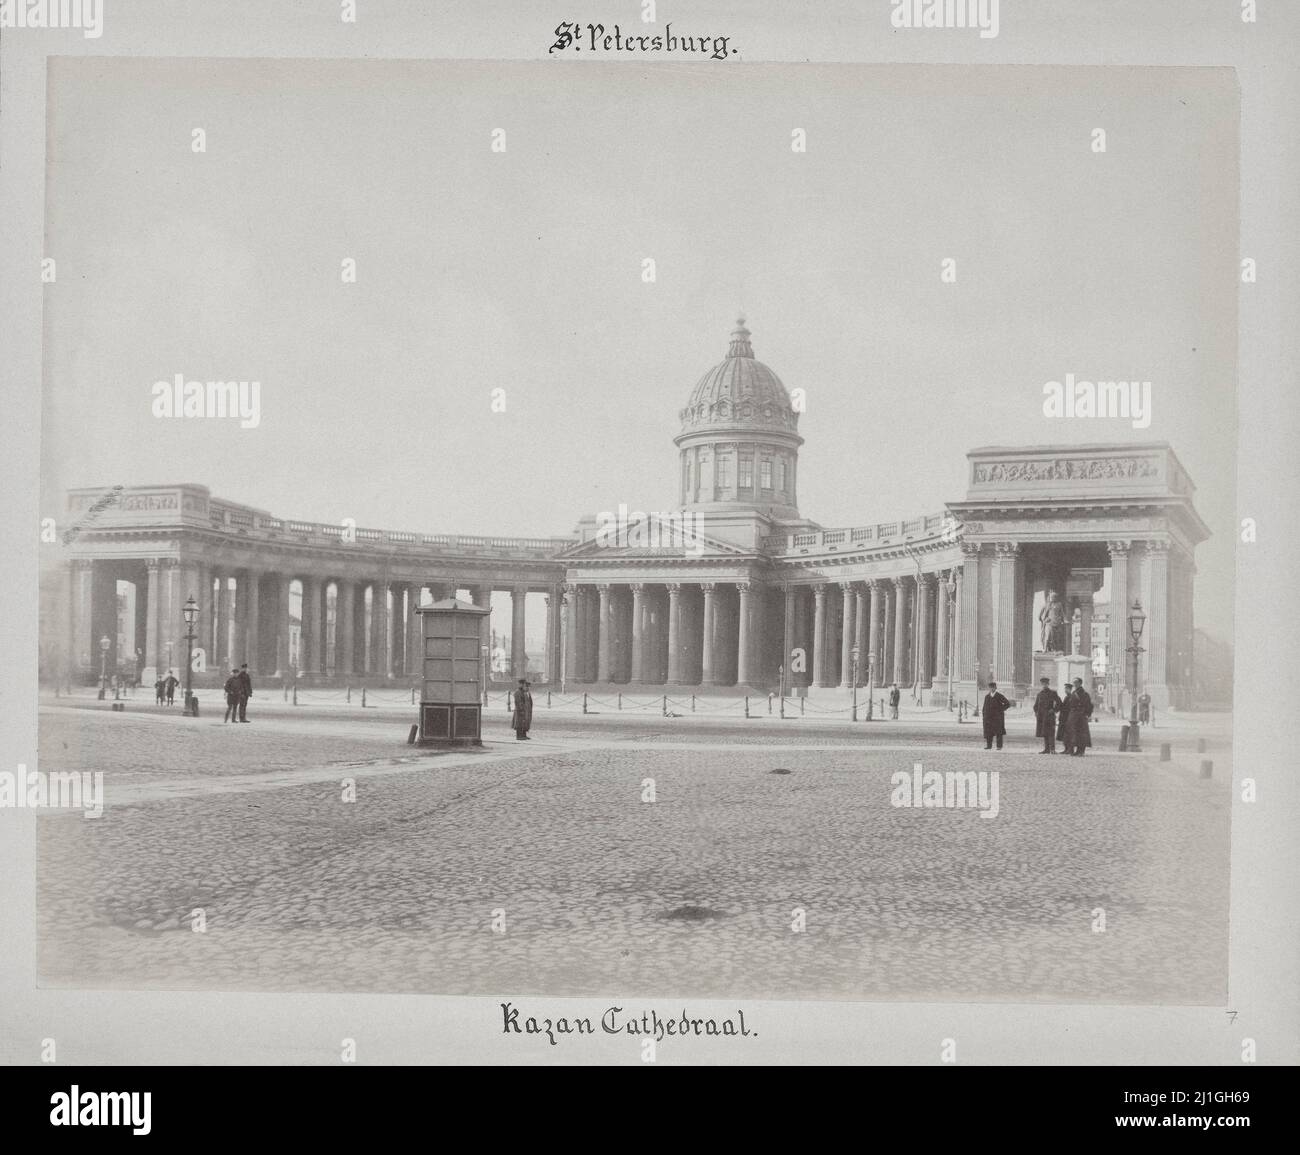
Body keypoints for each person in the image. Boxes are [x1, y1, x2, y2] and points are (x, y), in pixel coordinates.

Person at [1033, 676, 1063, 754]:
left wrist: (1054, 710)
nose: (1044, 685)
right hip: (1042, 717)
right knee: (1044, 733)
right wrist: (1036, 713)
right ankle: (1046, 749)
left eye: (1045, 684)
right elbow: (1035, 705)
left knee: (1051, 733)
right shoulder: (1039, 694)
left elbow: (1059, 703)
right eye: (1043, 684)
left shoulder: (1053, 693)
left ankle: (1052, 749)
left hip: (1050, 716)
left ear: (1048, 684)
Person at [1065, 677, 1093, 756]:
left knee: (1081, 734)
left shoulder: (1084, 694)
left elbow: (1089, 706)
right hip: (1073, 716)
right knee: (1074, 733)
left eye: (1076, 682)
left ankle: (1081, 751)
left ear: (1080, 683)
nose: (1075, 684)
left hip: (1080, 716)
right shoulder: (1074, 693)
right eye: (1074, 683)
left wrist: (1087, 714)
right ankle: (1076, 750)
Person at [981, 681, 1011, 750]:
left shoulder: (999, 696)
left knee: (998, 732)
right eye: (990, 688)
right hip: (988, 718)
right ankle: (989, 746)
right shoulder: (987, 697)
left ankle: (999, 746)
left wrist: (1001, 710)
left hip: (997, 718)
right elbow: (984, 707)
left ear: (995, 688)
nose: (992, 689)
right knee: (989, 732)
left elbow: (1007, 704)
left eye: (993, 687)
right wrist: (984, 715)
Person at [1057, 681, 1075, 756]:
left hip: (1068, 719)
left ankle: (1070, 749)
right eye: (1065, 689)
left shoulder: (1071, 697)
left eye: (1067, 689)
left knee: (1069, 735)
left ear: (1070, 689)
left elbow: (1068, 709)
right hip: (1064, 719)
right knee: (1064, 735)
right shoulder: (1066, 697)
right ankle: (1066, 748)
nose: (1065, 690)